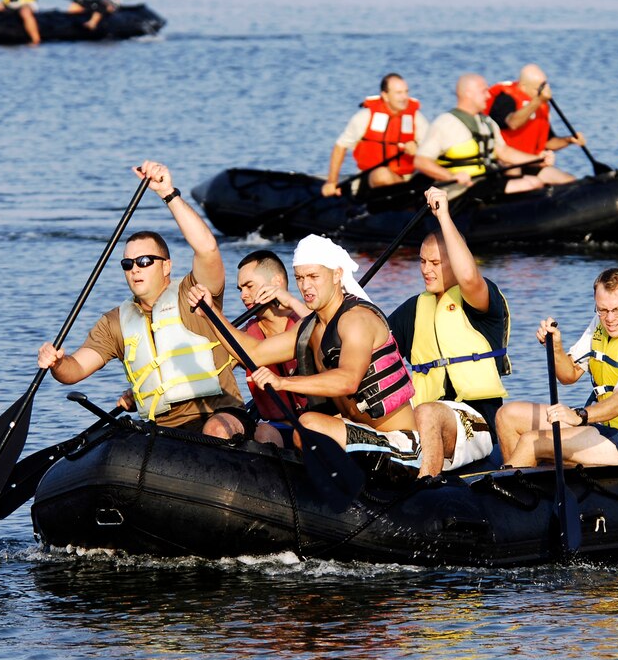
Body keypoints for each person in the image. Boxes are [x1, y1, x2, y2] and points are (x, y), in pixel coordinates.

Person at [188, 235, 422, 478]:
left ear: (336, 274)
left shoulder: (356, 319)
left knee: (309, 425)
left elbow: (348, 380)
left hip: (400, 448)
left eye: (313, 277)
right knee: (296, 428)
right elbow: (253, 353)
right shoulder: (310, 327)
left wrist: (282, 382)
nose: (305, 286)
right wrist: (211, 312)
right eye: (299, 278)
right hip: (357, 436)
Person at [37, 161, 243, 434]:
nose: (135, 269)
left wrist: (168, 193)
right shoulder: (114, 323)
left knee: (216, 429)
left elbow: (207, 248)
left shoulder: (193, 293)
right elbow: (74, 370)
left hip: (220, 415)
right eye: (128, 264)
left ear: (166, 266)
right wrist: (57, 363)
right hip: (163, 429)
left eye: (145, 261)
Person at [496, 267, 618, 468]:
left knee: (532, 442)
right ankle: (523, 477)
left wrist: (579, 416)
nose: (610, 318)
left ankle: (510, 484)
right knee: (507, 415)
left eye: (617, 309)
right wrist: (555, 348)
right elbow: (569, 375)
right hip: (604, 426)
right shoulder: (601, 322)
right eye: (602, 310)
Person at [388, 187, 508, 477]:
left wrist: (443, 216)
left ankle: (426, 489)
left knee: (428, 412)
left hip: (476, 422)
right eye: (422, 261)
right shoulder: (414, 309)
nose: (426, 270)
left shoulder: (481, 300)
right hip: (424, 415)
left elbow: (468, 276)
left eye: (435, 263)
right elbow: (371, 346)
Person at [201, 249, 310, 444]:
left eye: (249, 286)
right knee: (262, 432)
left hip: (317, 425)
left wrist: (291, 301)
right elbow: (211, 368)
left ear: (276, 283)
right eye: (240, 289)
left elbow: (325, 329)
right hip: (277, 428)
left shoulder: (307, 319)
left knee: (265, 432)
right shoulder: (245, 335)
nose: (243, 295)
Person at [413, 74, 568, 194]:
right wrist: (451, 177)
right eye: (483, 91)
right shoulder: (445, 123)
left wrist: (537, 160)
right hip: (459, 190)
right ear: (468, 93)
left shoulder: (487, 122)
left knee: (534, 181)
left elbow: (504, 152)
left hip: (485, 182)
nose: (488, 96)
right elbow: (421, 161)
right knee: (529, 184)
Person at [322, 74, 429, 197]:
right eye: (399, 93)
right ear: (385, 95)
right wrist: (332, 181)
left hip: (405, 178)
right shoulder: (365, 117)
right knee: (382, 174)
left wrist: (418, 150)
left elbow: (432, 153)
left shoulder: (416, 118)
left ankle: (409, 198)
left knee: (427, 177)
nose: (404, 97)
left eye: (406, 92)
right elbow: (340, 146)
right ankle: (409, 199)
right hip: (370, 180)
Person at [486, 64, 579, 184]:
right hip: (505, 162)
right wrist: (538, 100)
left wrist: (569, 140)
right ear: (523, 87)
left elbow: (548, 142)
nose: (543, 93)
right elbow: (513, 123)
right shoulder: (506, 99)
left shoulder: (540, 106)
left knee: (569, 180)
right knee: (515, 171)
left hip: (532, 162)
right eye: (539, 90)